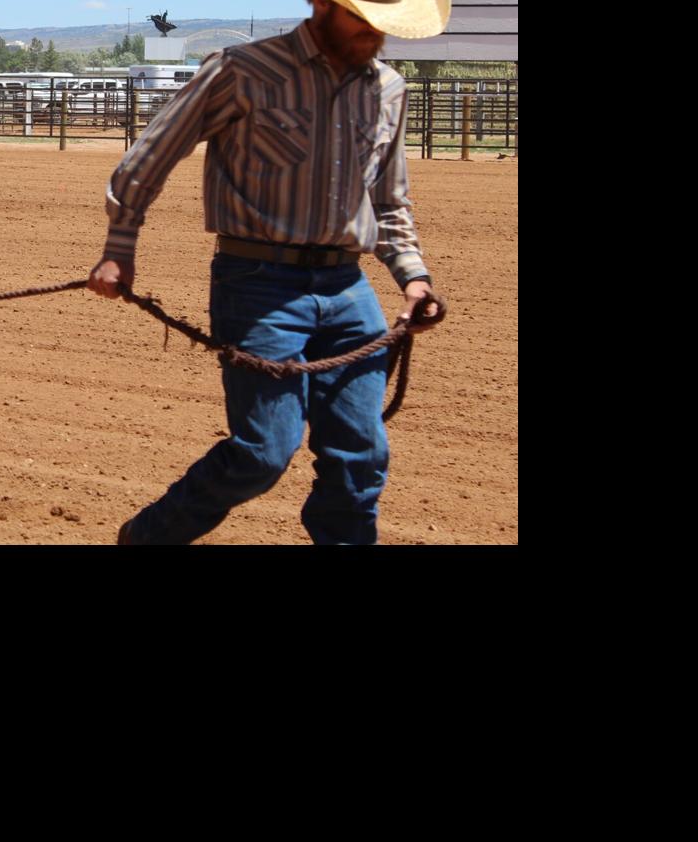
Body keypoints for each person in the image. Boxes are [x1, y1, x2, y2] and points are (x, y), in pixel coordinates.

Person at [88, 0, 450, 545]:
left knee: (361, 454)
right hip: (257, 281)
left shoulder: (388, 89)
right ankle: (149, 537)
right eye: (363, 17)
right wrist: (120, 247)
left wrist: (414, 279)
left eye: (385, 22)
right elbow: (153, 154)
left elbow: (389, 201)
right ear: (322, 5)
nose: (374, 32)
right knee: (262, 453)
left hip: (348, 287)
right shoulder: (242, 70)